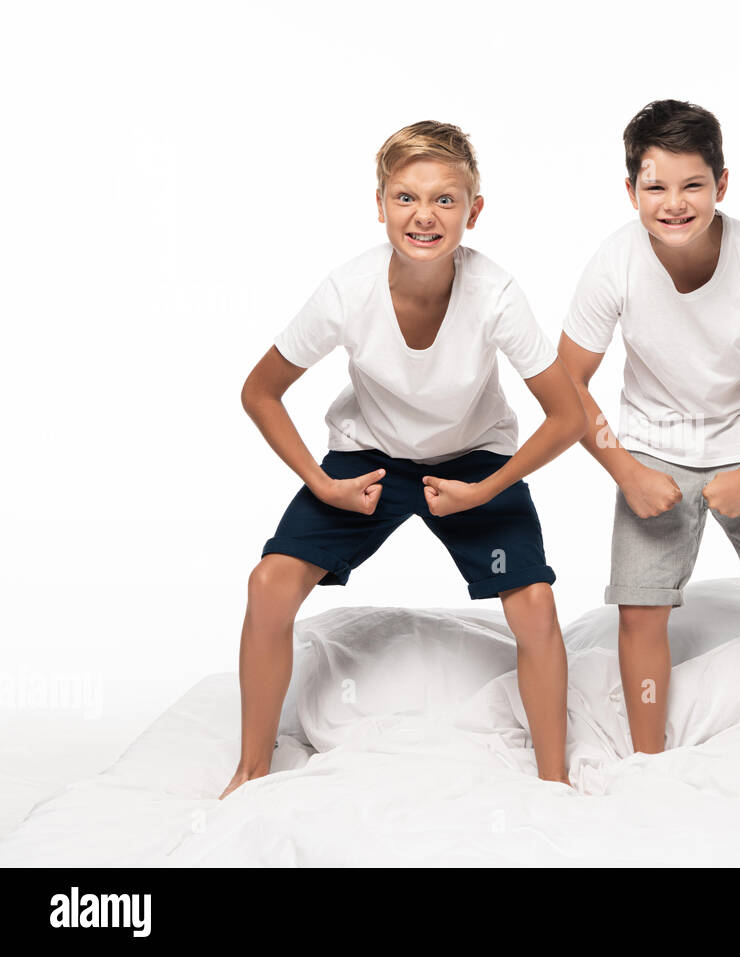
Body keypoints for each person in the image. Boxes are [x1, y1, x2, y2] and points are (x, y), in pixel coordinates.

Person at [222, 121, 586, 799]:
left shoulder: (496, 294)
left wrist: (488, 490)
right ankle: (251, 767)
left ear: (474, 210)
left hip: (474, 461)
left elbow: (568, 416)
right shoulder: (346, 289)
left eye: (445, 200)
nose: (424, 215)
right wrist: (320, 484)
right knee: (268, 584)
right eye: (405, 197)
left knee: (534, 601)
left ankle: (555, 778)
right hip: (370, 459)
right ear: (381, 203)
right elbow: (260, 390)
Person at [558, 99, 740, 763]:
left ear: (722, 183)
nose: (675, 203)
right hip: (653, 451)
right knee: (640, 610)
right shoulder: (614, 261)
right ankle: (648, 761)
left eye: (693, 185)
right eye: (655, 186)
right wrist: (627, 472)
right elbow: (566, 382)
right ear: (630, 190)